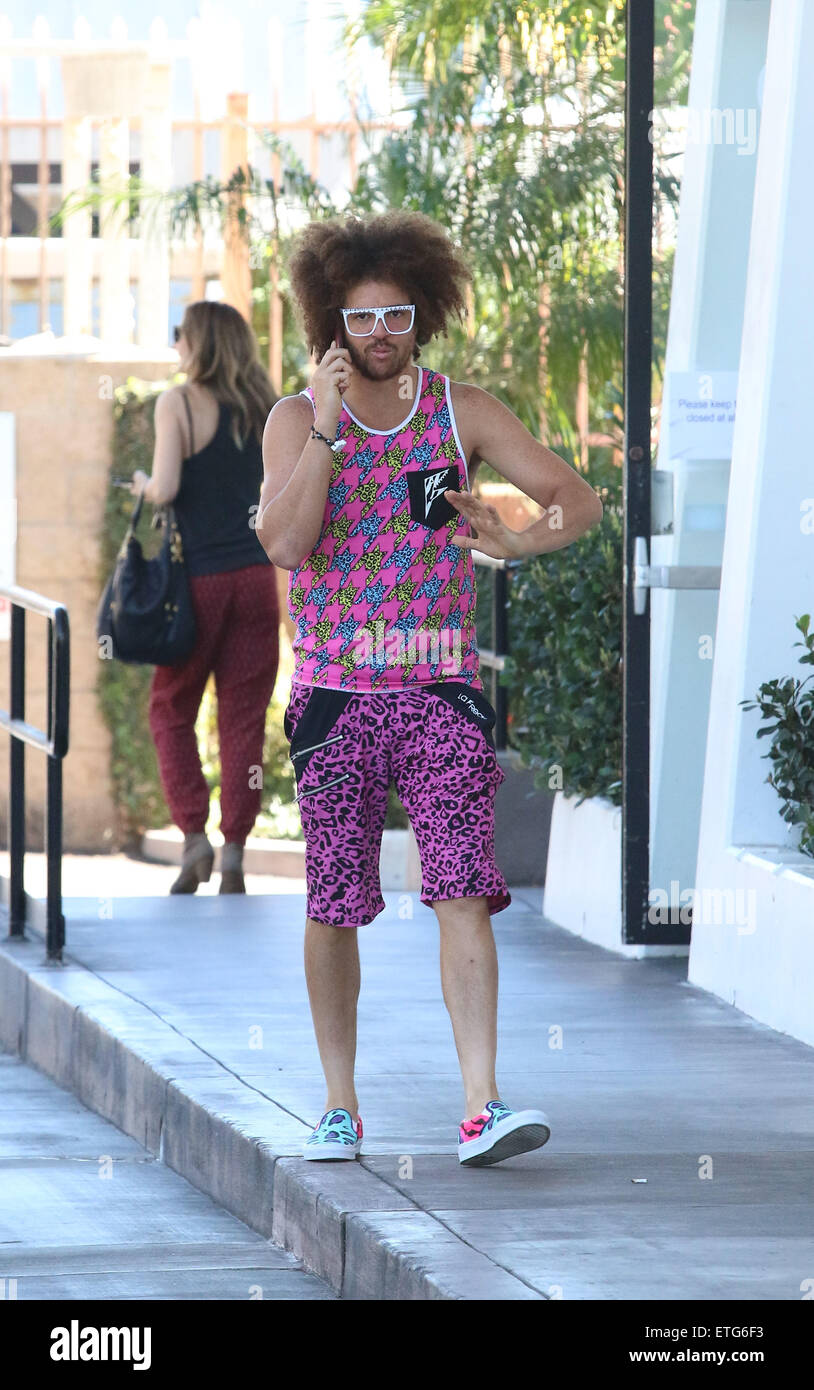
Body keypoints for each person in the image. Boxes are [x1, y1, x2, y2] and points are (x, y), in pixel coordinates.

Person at [255, 211, 603, 1166]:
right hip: (333, 695)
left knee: (461, 889)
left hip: (440, 685)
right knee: (333, 903)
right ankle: (338, 1106)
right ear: (331, 322)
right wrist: (326, 431)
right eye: (361, 320)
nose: (380, 335)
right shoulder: (294, 419)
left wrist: (519, 540)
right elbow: (283, 544)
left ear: (423, 315)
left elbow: (580, 499)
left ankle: (483, 1105)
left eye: (397, 316)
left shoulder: (461, 410)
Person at [130, 300, 279, 895]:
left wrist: (141, 484)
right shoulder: (265, 407)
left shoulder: (178, 403)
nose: (175, 347)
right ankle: (236, 851)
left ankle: (194, 838)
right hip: (256, 580)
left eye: (179, 336)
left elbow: (165, 487)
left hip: (197, 586)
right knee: (242, 719)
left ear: (199, 343)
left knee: (170, 709)